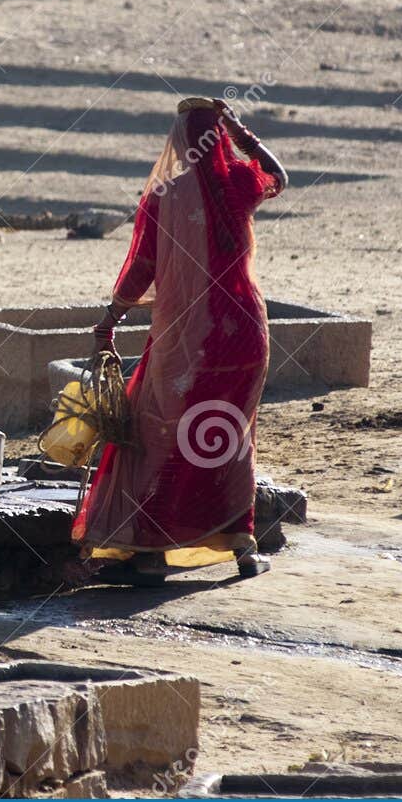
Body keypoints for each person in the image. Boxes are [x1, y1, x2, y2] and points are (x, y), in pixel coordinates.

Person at [72, 97, 287, 582]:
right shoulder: (239, 183)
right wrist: (243, 134)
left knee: (164, 436)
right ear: (220, 138)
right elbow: (278, 176)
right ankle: (242, 548)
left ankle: (151, 551)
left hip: (187, 342)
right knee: (230, 436)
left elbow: (141, 269)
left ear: (179, 142)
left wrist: (108, 321)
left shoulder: (163, 197)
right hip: (244, 337)